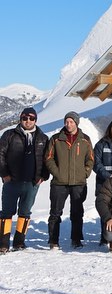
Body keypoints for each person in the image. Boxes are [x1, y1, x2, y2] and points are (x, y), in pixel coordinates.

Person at [0, 108, 49, 252]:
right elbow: (0, 155)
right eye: (25, 118)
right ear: (20, 119)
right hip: (12, 181)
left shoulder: (42, 138)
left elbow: (48, 159)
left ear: (35, 120)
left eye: (31, 118)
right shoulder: (9, 135)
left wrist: (43, 176)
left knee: (25, 212)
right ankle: (3, 244)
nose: (28, 121)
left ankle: (19, 243)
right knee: (6, 213)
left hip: (32, 183)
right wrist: (4, 174)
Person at [45, 111, 94, 249]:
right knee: (55, 212)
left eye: (71, 121)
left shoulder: (85, 139)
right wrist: (57, 172)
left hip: (78, 182)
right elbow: (48, 158)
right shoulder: (56, 139)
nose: (68, 124)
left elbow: (90, 159)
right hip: (59, 183)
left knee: (77, 212)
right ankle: (53, 241)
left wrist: (85, 173)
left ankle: (76, 239)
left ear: (76, 123)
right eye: (66, 121)